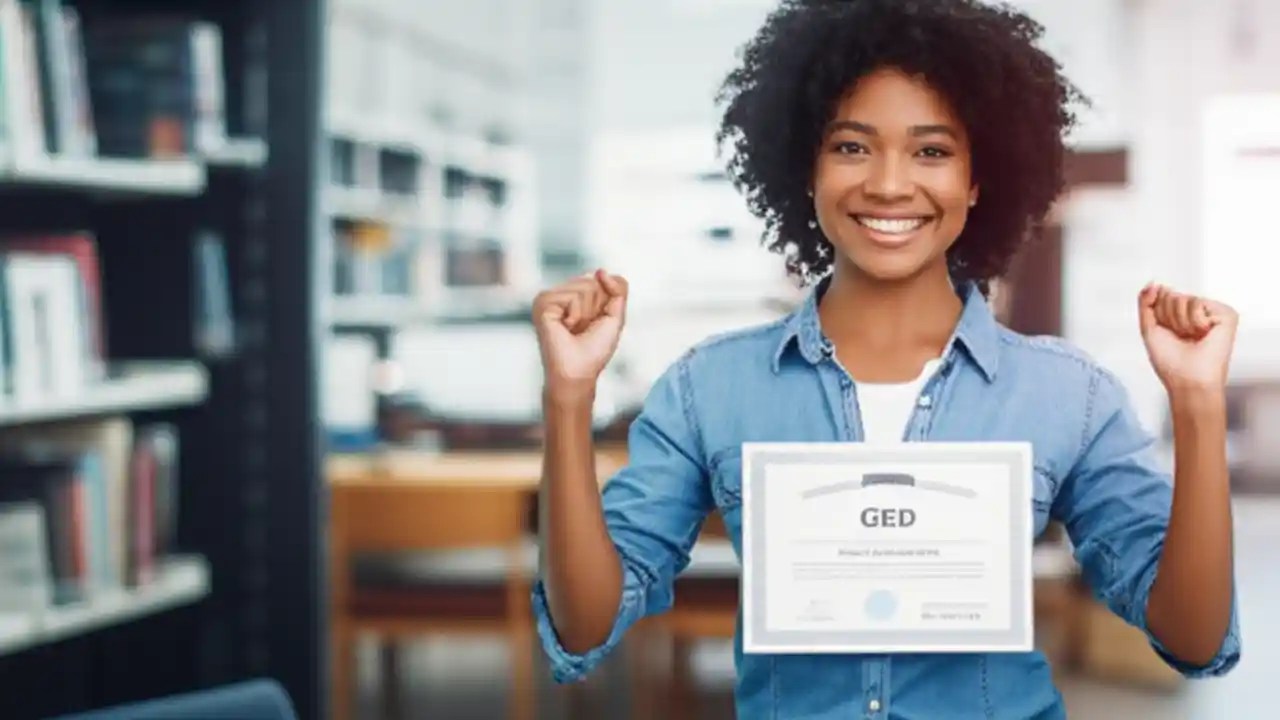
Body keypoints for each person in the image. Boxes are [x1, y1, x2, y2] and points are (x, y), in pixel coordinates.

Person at [529, 0, 1241, 717]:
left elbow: (1193, 633)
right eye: (851, 147)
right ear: (806, 167)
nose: (890, 184)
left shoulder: (1068, 395)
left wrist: (1199, 406)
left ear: (976, 179)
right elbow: (585, 623)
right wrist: (567, 395)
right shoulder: (709, 388)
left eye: (931, 151)